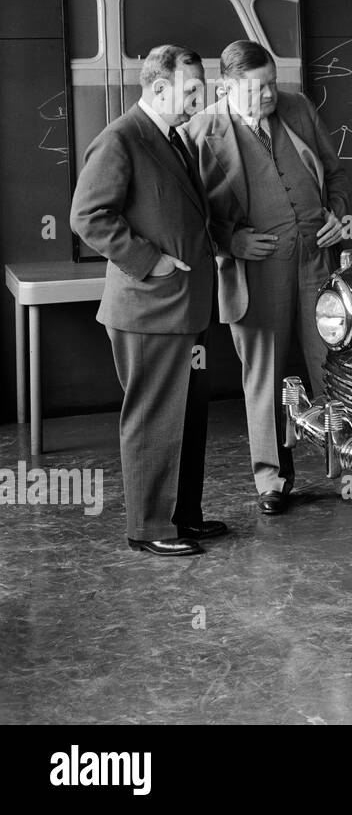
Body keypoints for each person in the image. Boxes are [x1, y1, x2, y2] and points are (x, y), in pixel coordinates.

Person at [186, 40, 352, 514]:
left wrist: (337, 214)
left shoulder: (298, 107)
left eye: (272, 83)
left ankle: (349, 469)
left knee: (333, 366)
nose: (269, 95)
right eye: (258, 88)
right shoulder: (201, 130)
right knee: (265, 375)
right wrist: (231, 242)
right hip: (255, 269)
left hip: (316, 260)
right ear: (228, 86)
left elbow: (337, 175)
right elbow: (190, 212)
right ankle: (272, 481)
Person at [69, 44, 222, 556]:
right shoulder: (120, 138)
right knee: (154, 418)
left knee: (186, 416)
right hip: (149, 306)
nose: (201, 98)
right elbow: (89, 217)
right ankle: (150, 528)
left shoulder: (174, 138)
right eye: (191, 88)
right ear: (159, 87)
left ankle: (183, 517)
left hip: (185, 308)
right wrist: (149, 260)